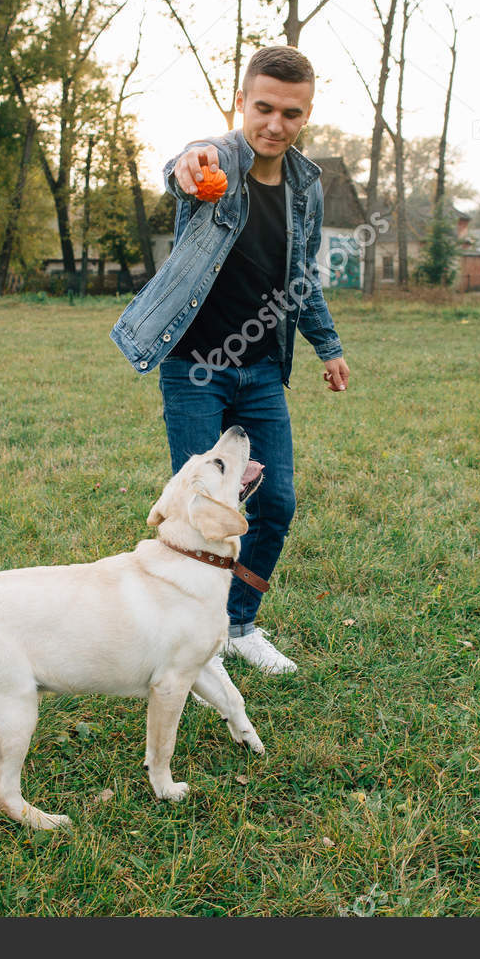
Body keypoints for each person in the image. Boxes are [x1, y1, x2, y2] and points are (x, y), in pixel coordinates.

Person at [109, 45, 351, 674]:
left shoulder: (306, 185)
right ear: (242, 101)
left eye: (291, 113)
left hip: (263, 369)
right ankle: (187, 634)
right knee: (201, 510)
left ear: (307, 115)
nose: (275, 123)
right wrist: (188, 163)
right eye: (263, 107)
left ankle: (237, 625)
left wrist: (328, 347)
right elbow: (180, 167)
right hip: (193, 367)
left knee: (276, 504)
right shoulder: (214, 159)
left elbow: (304, 274)